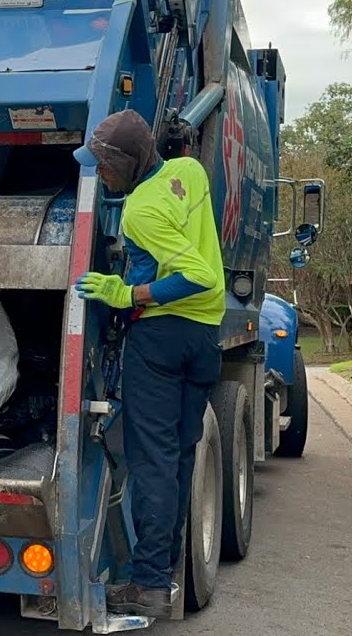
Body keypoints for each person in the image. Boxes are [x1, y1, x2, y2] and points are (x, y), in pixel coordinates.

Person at [73, 110, 225, 619]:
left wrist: (126, 291)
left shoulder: (140, 209)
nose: (102, 175)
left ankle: (148, 584)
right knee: (178, 459)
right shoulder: (191, 173)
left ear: (131, 162)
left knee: (152, 462)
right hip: (203, 338)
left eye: (106, 167)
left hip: (159, 338)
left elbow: (198, 273)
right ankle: (162, 575)